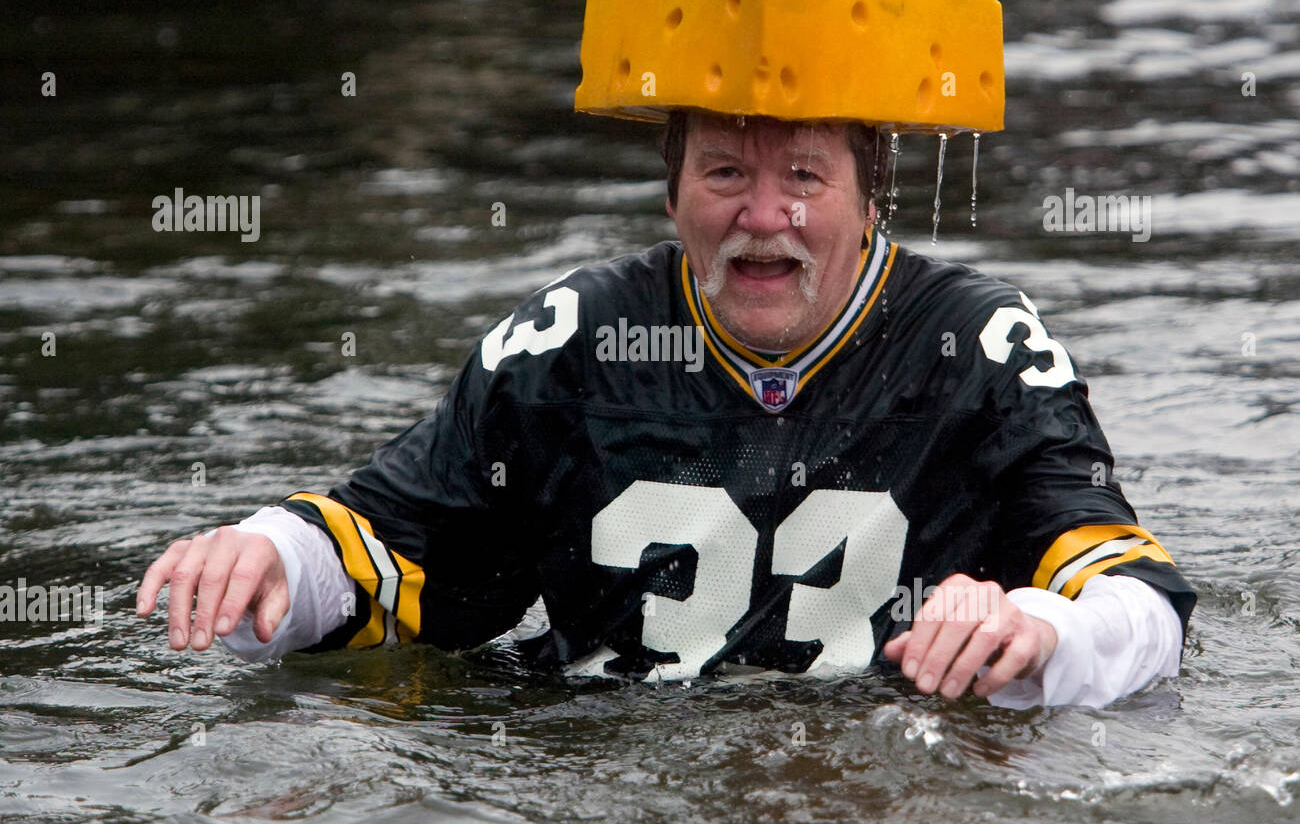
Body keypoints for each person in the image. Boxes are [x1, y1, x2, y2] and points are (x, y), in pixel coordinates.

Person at [137, 107, 1196, 708]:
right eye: (726, 169)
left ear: (870, 204)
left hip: (885, 774)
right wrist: (273, 558)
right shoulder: (578, 336)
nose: (763, 213)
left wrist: (1037, 631)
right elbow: (397, 549)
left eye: (806, 177)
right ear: (673, 195)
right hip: (611, 757)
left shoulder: (976, 341)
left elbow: (1142, 602)